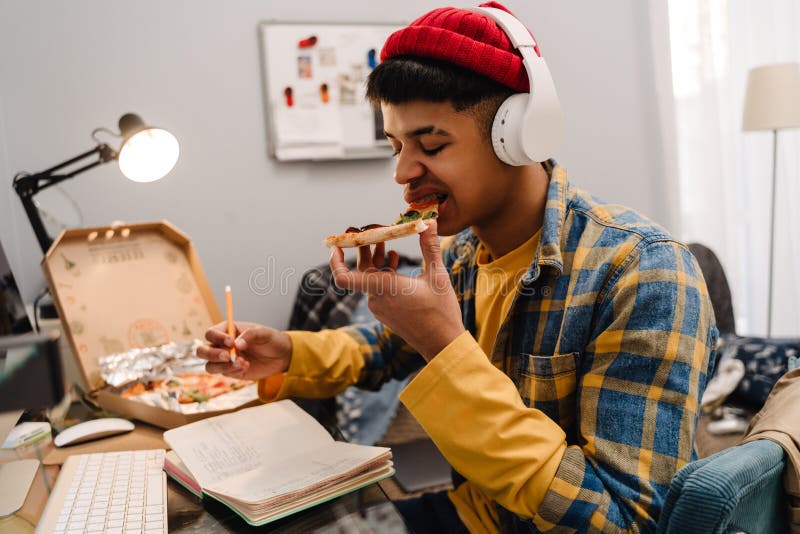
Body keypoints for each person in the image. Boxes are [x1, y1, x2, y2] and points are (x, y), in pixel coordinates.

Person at [198, 2, 717, 532]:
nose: (402, 172)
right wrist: (287, 353)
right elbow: (388, 346)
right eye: (396, 146)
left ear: (519, 136)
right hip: (475, 513)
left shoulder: (642, 274)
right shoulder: (463, 252)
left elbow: (625, 521)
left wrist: (444, 345)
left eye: (431, 144)